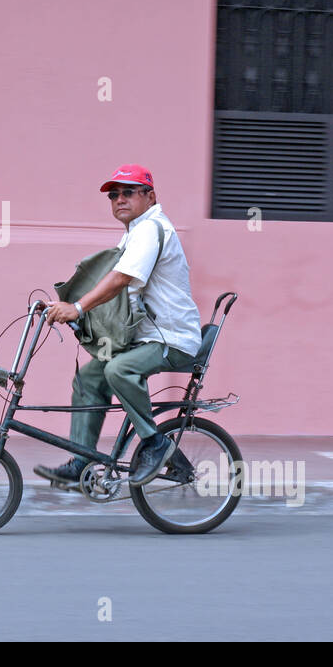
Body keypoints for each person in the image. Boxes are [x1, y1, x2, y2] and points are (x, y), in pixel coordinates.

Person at [35, 165, 203, 488]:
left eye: (129, 192)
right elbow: (119, 297)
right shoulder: (132, 234)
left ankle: (156, 445)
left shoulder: (152, 229)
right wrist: (71, 311)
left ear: (150, 196)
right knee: (88, 379)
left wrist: (78, 307)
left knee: (118, 370)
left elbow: (121, 279)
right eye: (114, 195)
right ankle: (82, 463)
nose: (119, 199)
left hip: (173, 339)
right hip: (147, 339)